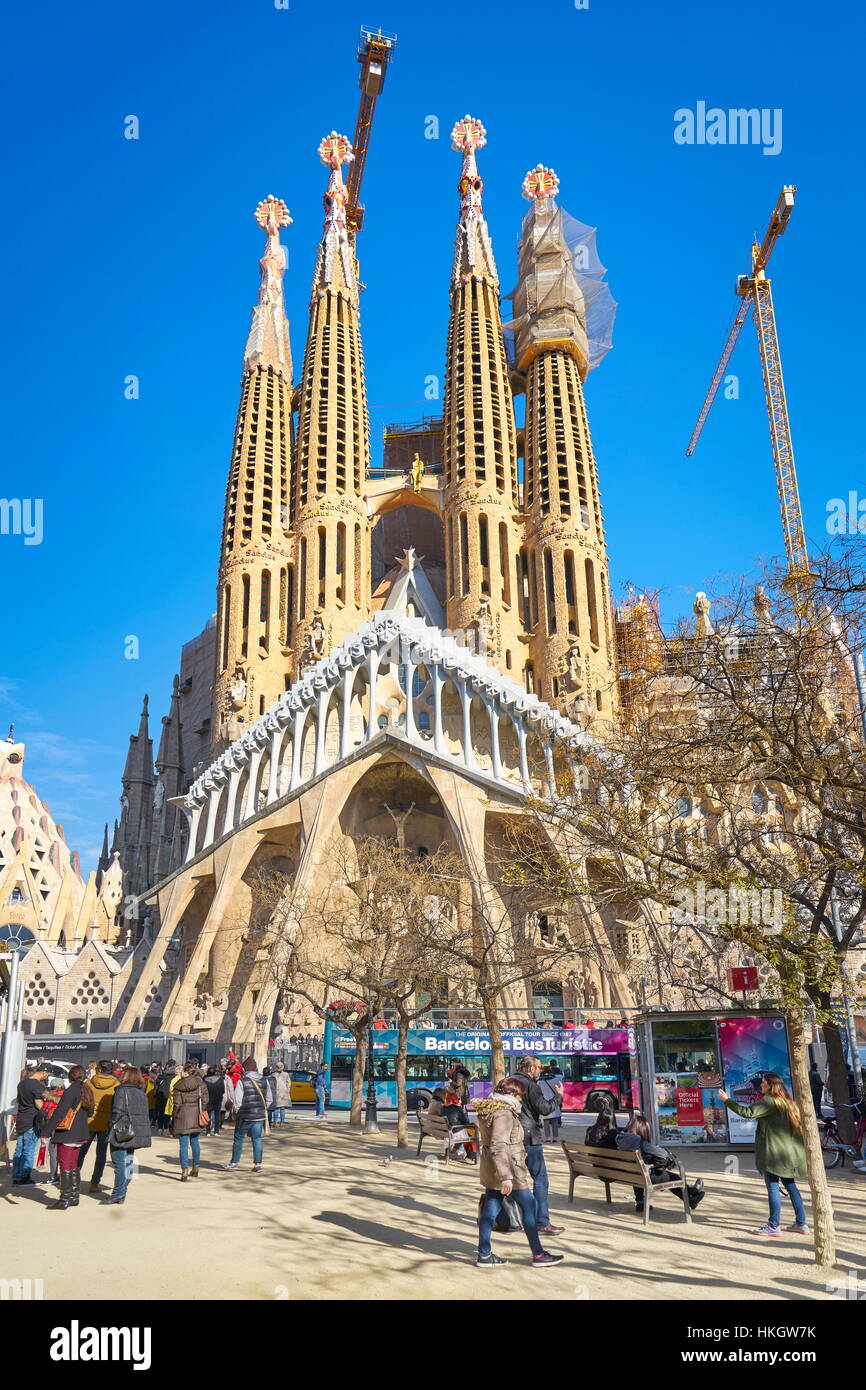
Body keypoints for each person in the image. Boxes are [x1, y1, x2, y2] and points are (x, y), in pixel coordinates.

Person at [474, 1078, 564, 1269]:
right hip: (510, 1170)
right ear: (512, 1094)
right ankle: (538, 1254)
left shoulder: (490, 1109)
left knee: (490, 1211)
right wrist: (506, 1176)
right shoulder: (504, 1113)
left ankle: (484, 1254)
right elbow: (499, 1145)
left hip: (493, 1168)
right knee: (529, 1206)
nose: (521, 1100)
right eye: (520, 1095)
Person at [718, 1073, 808, 1235]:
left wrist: (727, 1100)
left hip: (774, 1153)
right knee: (791, 1186)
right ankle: (801, 1223)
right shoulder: (787, 1103)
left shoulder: (768, 1101)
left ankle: (774, 1226)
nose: (761, 1085)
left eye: (764, 1083)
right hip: (789, 1153)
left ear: (771, 1086)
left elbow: (747, 1113)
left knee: (773, 1187)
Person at [507, 1054, 565, 1238]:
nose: (541, 1070)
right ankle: (542, 1222)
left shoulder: (507, 1081)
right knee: (540, 1179)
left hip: (511, 1136)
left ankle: (511, 1219)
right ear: (531, 1069)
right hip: (530, 1137)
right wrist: (558, 1097)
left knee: (513, 1178)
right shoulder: (531, 1085)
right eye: (539, 1067)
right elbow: (545, 1109)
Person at [615, 1114, 705, 1216]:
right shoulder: (640, 1141)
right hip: (645, 1177)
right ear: (642, 1129)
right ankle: (692, 1194)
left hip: (629, 1175)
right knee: (673, 1177)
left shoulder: (619, 1138)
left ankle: (640, 1203)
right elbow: (663, 1155)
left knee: (638, 1171)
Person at [42, 1064, 96, 1210]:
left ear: (70, 1076)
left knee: (65, 1165)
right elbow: (91, 1112)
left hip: (67, 1133)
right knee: (73, 1164)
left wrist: (46, 1131)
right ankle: (74, 1196)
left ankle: (64, 1198)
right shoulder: (87, 1089)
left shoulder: (71, 1090)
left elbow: (60, 1113)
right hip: (81, 1132)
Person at [103, 1066, 152, 1205]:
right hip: (135, 1131)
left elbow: (117, 1111)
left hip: (121, 1130)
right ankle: (122, 1191)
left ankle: (118, 1193)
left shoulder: (121, 1091)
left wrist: (111, 1125)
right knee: (129, 1161)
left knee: (119, 1162)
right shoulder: (141, 1092)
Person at [78, 1060, 119, 1195]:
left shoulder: (88, 1083)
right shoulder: (116, 1085)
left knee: (81, 1152)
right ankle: (95, 1183)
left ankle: (74, 1180)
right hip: (106, 1123)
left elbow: (83, 1101)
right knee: (101, 1154)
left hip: (88, 1121)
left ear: (99, 1069)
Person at [223, 1057, 268, 1171]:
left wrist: (237, 1112)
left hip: (245, 1115)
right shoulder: (264, 1080)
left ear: (245, 1069)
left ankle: (234, 1162)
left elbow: (237, 1100)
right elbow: (270, 1099)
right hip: (259, 1115)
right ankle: (257, 1164)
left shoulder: (242, 1081)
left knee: (238, 1138)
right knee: (257, 1139)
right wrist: (262, 1108)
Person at [12, 1062, 49, 1186]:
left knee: (19, 1149)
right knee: (29, 1149)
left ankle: (16, 1176)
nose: (47, 1076)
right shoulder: (38, 1086)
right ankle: (25, 1177)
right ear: (44, 1072)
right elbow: (39, 1104)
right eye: (47, 1074)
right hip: (32, 1121)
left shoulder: (21, 1084)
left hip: (21, 1119)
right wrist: (46, 1109)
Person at [171, 1062, 210, 1180]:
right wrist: (201, 1109)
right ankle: (196, 1166)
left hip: (182, 1116)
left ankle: (184, 1170)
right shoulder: (200, 1084)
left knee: (183, 1145)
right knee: (195, 1142)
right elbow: (205, 1099)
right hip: (196, 1115)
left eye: (182, 1071)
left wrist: (174, 1116)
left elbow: (177, 1104)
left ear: (186, 1072)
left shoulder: (178, 1085)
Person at [538, 1063, 565, 1139]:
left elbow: (538, 1092)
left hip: (544, 1102)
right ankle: (555, 1137)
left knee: (546, 1120)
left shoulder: (540, 1081)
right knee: (555, 1120)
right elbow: (560, 1090)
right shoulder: (556, 1080)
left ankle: (547, 1137)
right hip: (555, 1101)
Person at [205, 1065, 226, 1134]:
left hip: (208, 1099)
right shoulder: (220, 1079)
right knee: (217, 1115)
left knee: (208, 1115)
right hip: (218, 1099)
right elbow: (223, 1090)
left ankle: (208, 1131)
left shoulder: (204, 1079)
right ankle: (216, 1131)